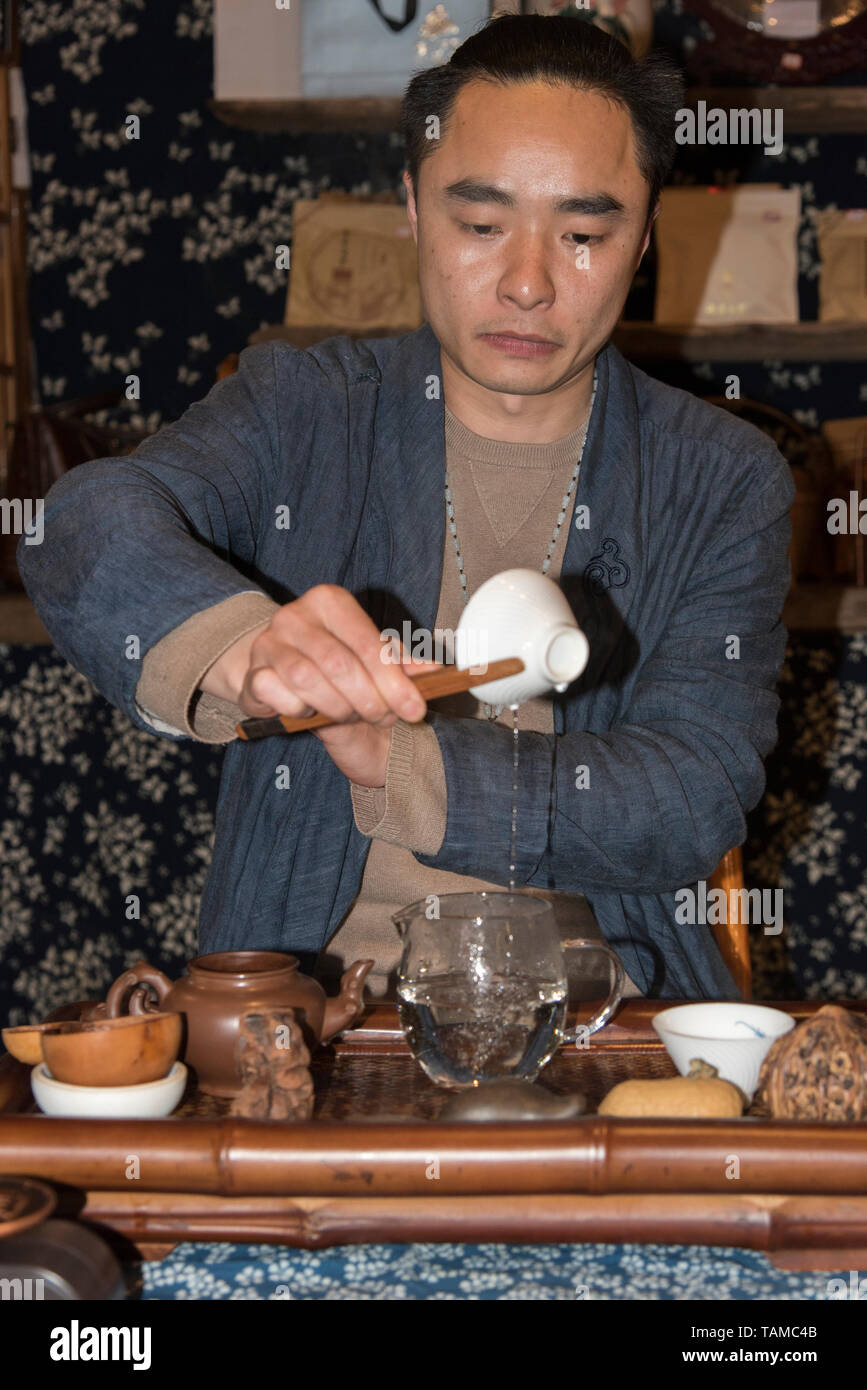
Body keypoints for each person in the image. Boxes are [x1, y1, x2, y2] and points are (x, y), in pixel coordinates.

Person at [18, 15, 794, 1001]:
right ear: (414, 211)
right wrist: (249, 650)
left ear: (640, 242)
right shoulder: (308, 411)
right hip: (318, 1010)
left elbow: (691, 792)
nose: (527, 283)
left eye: (584, 235)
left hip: (600, 1010)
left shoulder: (719, 477)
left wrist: (403, 764)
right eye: (480, 225)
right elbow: (84, 522)